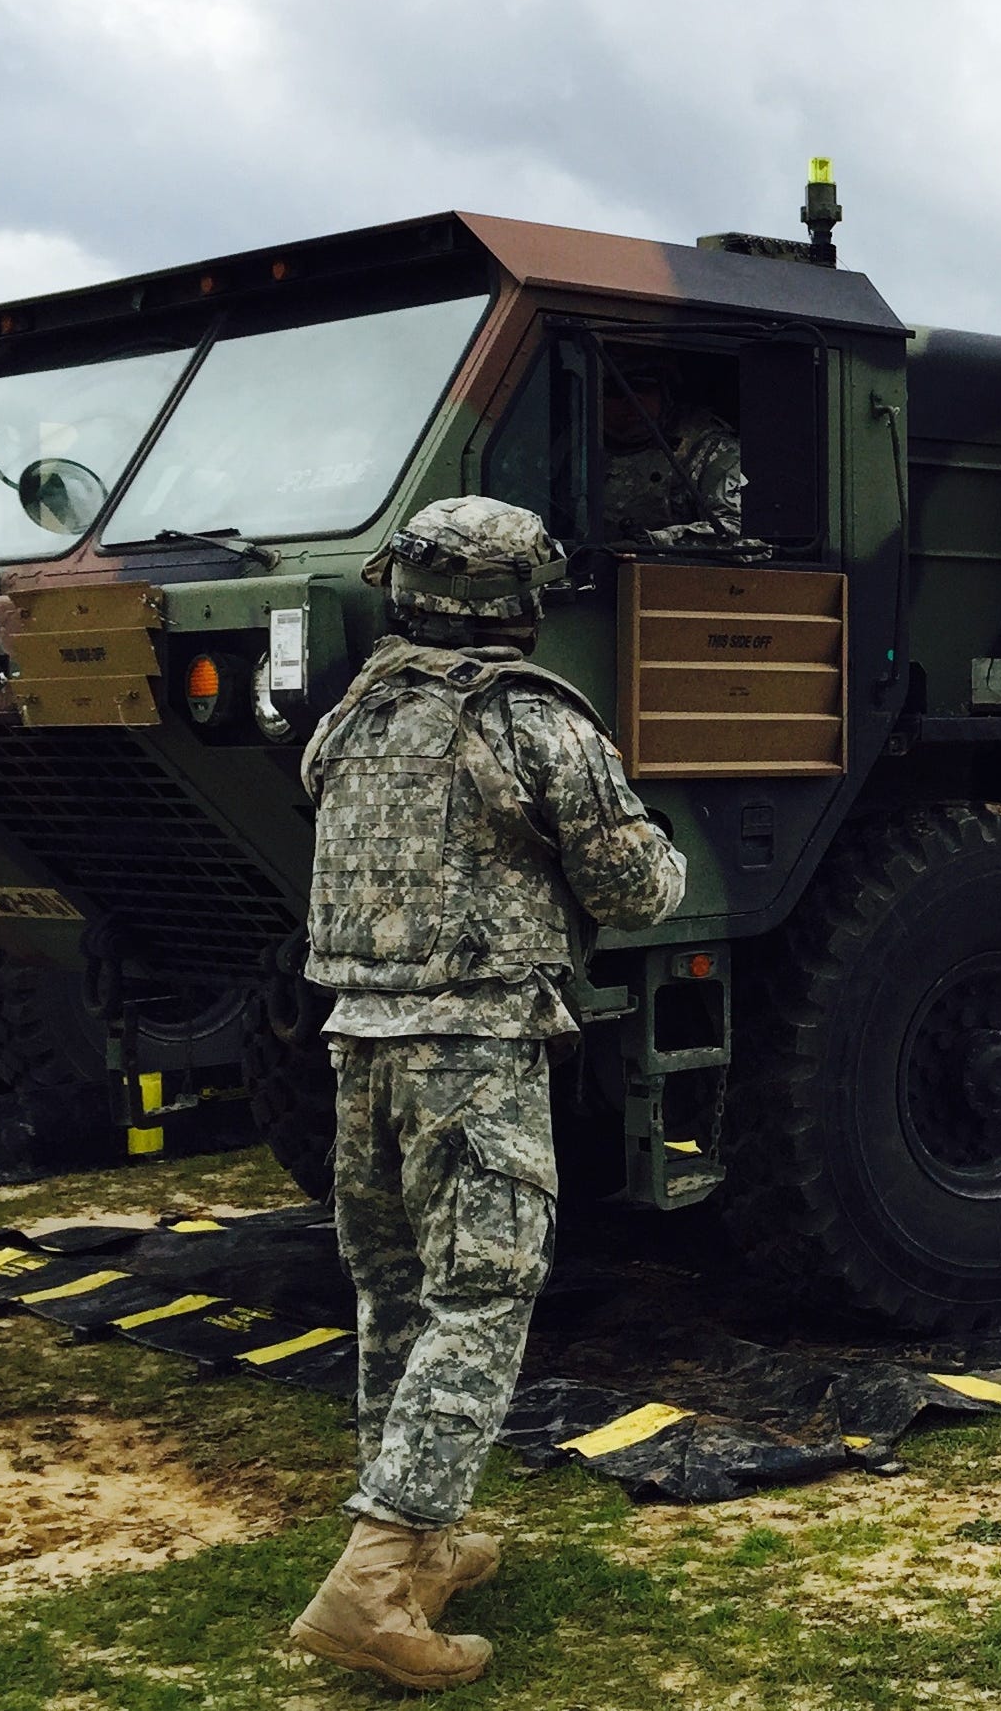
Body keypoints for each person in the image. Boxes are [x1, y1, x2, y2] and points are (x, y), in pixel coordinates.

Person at [286, 497, 686, 1689]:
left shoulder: (348, 718)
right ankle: (372, 1582)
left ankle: (425, 1547)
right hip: (477, 1051)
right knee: (480, 1298)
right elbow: (629, 886)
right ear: (524, 603)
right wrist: (661, 857)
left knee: (393, 1295)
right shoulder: (530, 721)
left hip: (357, 1044)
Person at [599, 361, 746, 546]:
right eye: (615, 391)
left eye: (643, 387)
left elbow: (743, 535)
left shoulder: (709, 450)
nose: (631, 400)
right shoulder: (571, 448)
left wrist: (657, 542)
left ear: (664, 393)